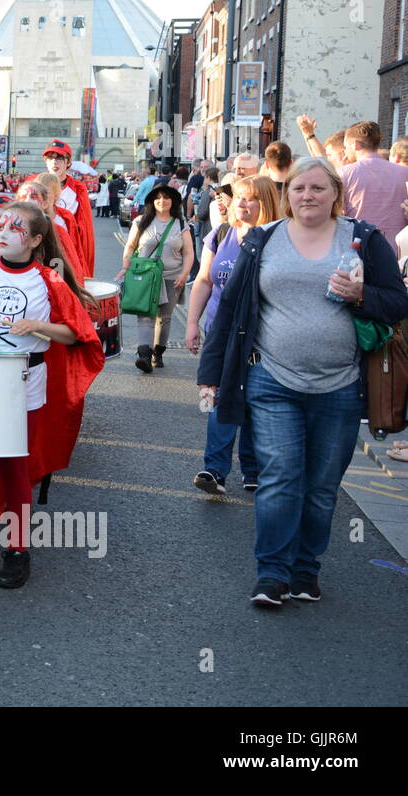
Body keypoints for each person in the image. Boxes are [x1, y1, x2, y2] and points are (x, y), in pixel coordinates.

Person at [197, 158, 408, 607]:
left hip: (342, 387)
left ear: (336, 192)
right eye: (298, 188)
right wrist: (211, 375)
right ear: (287, 194)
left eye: (317, 187)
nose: (307, 195)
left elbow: (397, 303)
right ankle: (271, 575)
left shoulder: (364, 239)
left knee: (321, 487)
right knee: (280, 476)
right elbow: (232, 311)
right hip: (272, 380)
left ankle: (305, 570)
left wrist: (362, 295)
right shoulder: (263, 240)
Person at [0, 201, 103, 588]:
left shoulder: (50, 280)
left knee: (15, 467)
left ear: (33, 240)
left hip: (24, 378)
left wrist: (40, 326)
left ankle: (17, 550)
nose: (2, 231)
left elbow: (76, 334)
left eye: (14, 228)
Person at [184, 175, 280, 494]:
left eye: (250, 198)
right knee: (219, 399)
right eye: (238, 196)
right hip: (221, 333)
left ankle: (252, 468)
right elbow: (204, 280)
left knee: (253, 401)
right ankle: (215, 470)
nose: (241, 203)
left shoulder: (275, 240)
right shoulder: (221, 233)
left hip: (260, 337)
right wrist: (192, 323)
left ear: (265, 202)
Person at [117, 184, 194, 374]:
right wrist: (126, 267)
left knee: (164, 318)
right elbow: (130, 246)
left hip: (171, 278)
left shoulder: (181, 224)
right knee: (145, 316)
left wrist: (184, 275)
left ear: (173, 201)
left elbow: (189, 253)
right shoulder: (141, 221)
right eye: (158, 197)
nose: (162, 201)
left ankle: (158, 352)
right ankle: (143, 354)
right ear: (152, 200)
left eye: (166, 197)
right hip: (144, 277)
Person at [338, 121, 408, 239]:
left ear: (355, 145)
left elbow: (337, 214)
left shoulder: (344, 173)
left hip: (359, 246)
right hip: (396, 248)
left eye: (345, 146)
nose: (345, 151)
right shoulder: (404, 172)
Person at [42, 139, 95, 275]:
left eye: (59, 158)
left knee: (59, 286)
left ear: (68, 162)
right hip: (38, 247)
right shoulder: (35, 183)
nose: (54, 162)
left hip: (64, 250)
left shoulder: (77, 189)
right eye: (50, 158)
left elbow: (84, 229)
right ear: (45, 161)